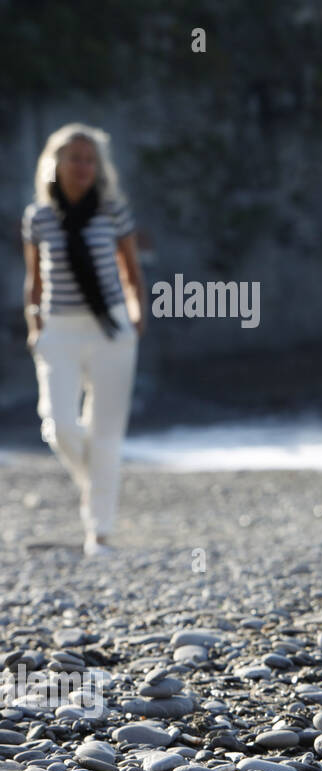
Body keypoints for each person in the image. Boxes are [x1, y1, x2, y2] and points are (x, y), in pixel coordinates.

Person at [22, 123, 146, 555]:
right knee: (59, 425)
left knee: (107, 434)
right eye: (75, 158)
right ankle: (95, 484)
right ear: (55, 163)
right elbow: (34, 280)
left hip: (111, 329)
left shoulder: (112, 211)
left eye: (90, 160)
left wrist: (136, 316)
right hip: (58, 329)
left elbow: (131, 272)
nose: (83, 167)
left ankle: (100, 531)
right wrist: (35, 328)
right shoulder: (38, 216)